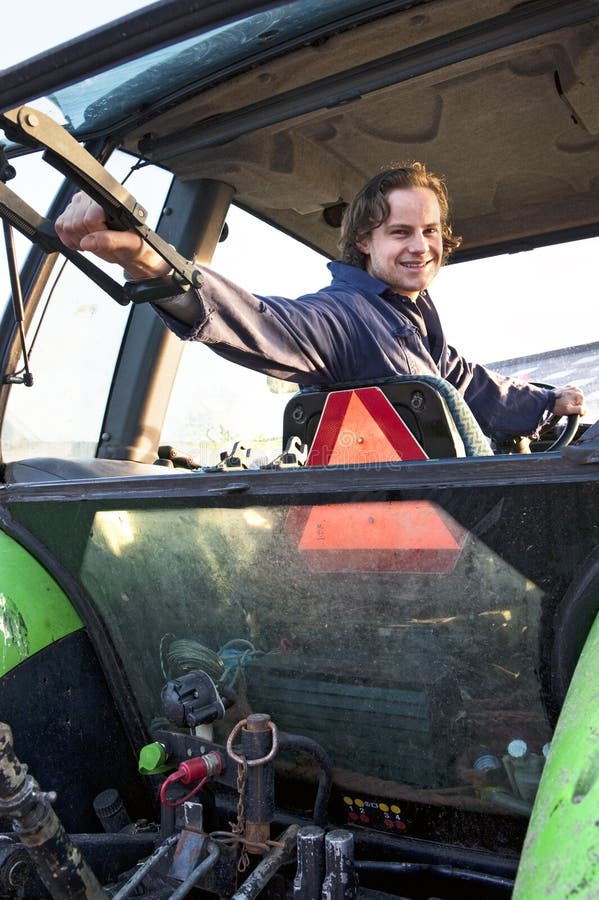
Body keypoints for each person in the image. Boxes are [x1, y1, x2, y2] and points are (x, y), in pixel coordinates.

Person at [55, 162, 585, 440]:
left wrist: (547, 401)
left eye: (430, 231)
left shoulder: (416, 325)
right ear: (364, 241)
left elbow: (471, 384)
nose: (421, 246)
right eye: (401, 232)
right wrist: (149, 262)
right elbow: (265, 324)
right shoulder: (344, 315)